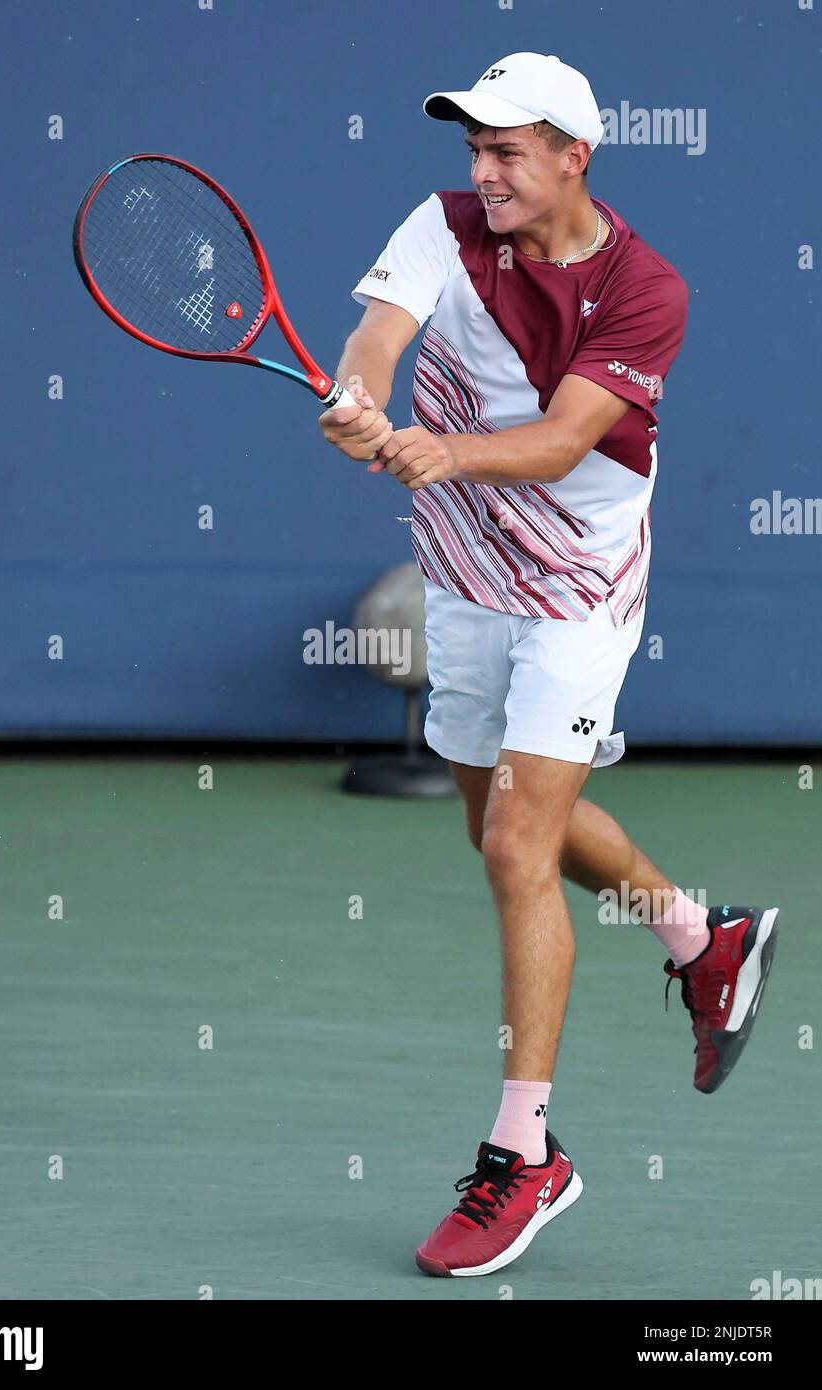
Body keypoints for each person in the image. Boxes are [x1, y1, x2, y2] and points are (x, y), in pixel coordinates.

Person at [319, 52, 780, 1278]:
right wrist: (360, 403)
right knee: (503, 828)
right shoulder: (446, 226)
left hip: (579, 588)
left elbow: (568, 435)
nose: (483, 173)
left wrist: (441, 452)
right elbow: (378, 335)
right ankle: (702, 939)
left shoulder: (647, 287)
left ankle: (525, 1155)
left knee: (521, 844)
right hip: (466, 581)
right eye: (473, 149)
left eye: (507, 151)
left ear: (577, 154)